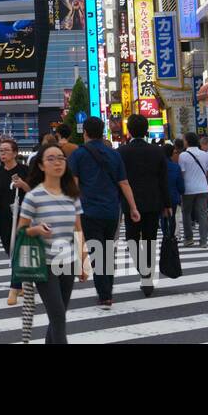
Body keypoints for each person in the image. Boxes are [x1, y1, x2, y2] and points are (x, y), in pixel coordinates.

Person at [15, 143, 88, 343]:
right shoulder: (33, 197)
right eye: (51, 159)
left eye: (61, 158)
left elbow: (78, 229)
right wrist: (37, 230)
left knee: (59, 316)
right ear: (40, 165)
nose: (57, 162)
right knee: (57, 317)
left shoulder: (72, 195)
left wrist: (83, 262)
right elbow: (21, 231)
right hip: (44, 264)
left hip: (69, 262)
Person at [67, 117, 140, 308]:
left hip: (89, 210)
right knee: (108, 250)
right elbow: (124, 183)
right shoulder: (114, 154)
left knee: (96, 252)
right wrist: (133, 207)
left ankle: (105, 293)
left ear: (85, 133)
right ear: (102, 131)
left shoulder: (78, 155)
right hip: (111, 211)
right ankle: (107, 288)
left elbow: (73, 184)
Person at [118, 115, 171, 297]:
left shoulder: (122, 152)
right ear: (146, 130)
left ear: (129, 131)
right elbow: (164, 179)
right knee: (150, 239)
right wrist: (167, 203)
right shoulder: (157, 151)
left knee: (132, 238)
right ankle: (147, 278)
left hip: (130, 202)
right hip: (153, 200)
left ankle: (143, 269)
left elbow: (119, 180)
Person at [0, 140, 29, 255]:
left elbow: (34, 192)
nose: (2, 153)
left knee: (21, 247)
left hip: (22, 215)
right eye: (1, 150)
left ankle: (20, 270)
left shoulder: (25, 170)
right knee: (8, 246)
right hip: (3, 216)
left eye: (6, 150)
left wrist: (23, 185)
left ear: (15, 153)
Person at [178, 132, 208, 248]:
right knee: (203, 214)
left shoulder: (183, 155)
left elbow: (182, 173)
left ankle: (189, 238)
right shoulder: (204, 154)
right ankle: (203, 241)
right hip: (203, 188)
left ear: (187, 141)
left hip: (188, 189)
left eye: (184, 140)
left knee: (186, 213)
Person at [164, 143, 184, 236]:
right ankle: (171, 236)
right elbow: (180, 184)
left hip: (161, 196)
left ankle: (165, 235)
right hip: (173, 195)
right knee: (172, 217)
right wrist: (181, 192)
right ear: (172, 153)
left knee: (163, 217)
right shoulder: (175, 167)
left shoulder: (157, 165)